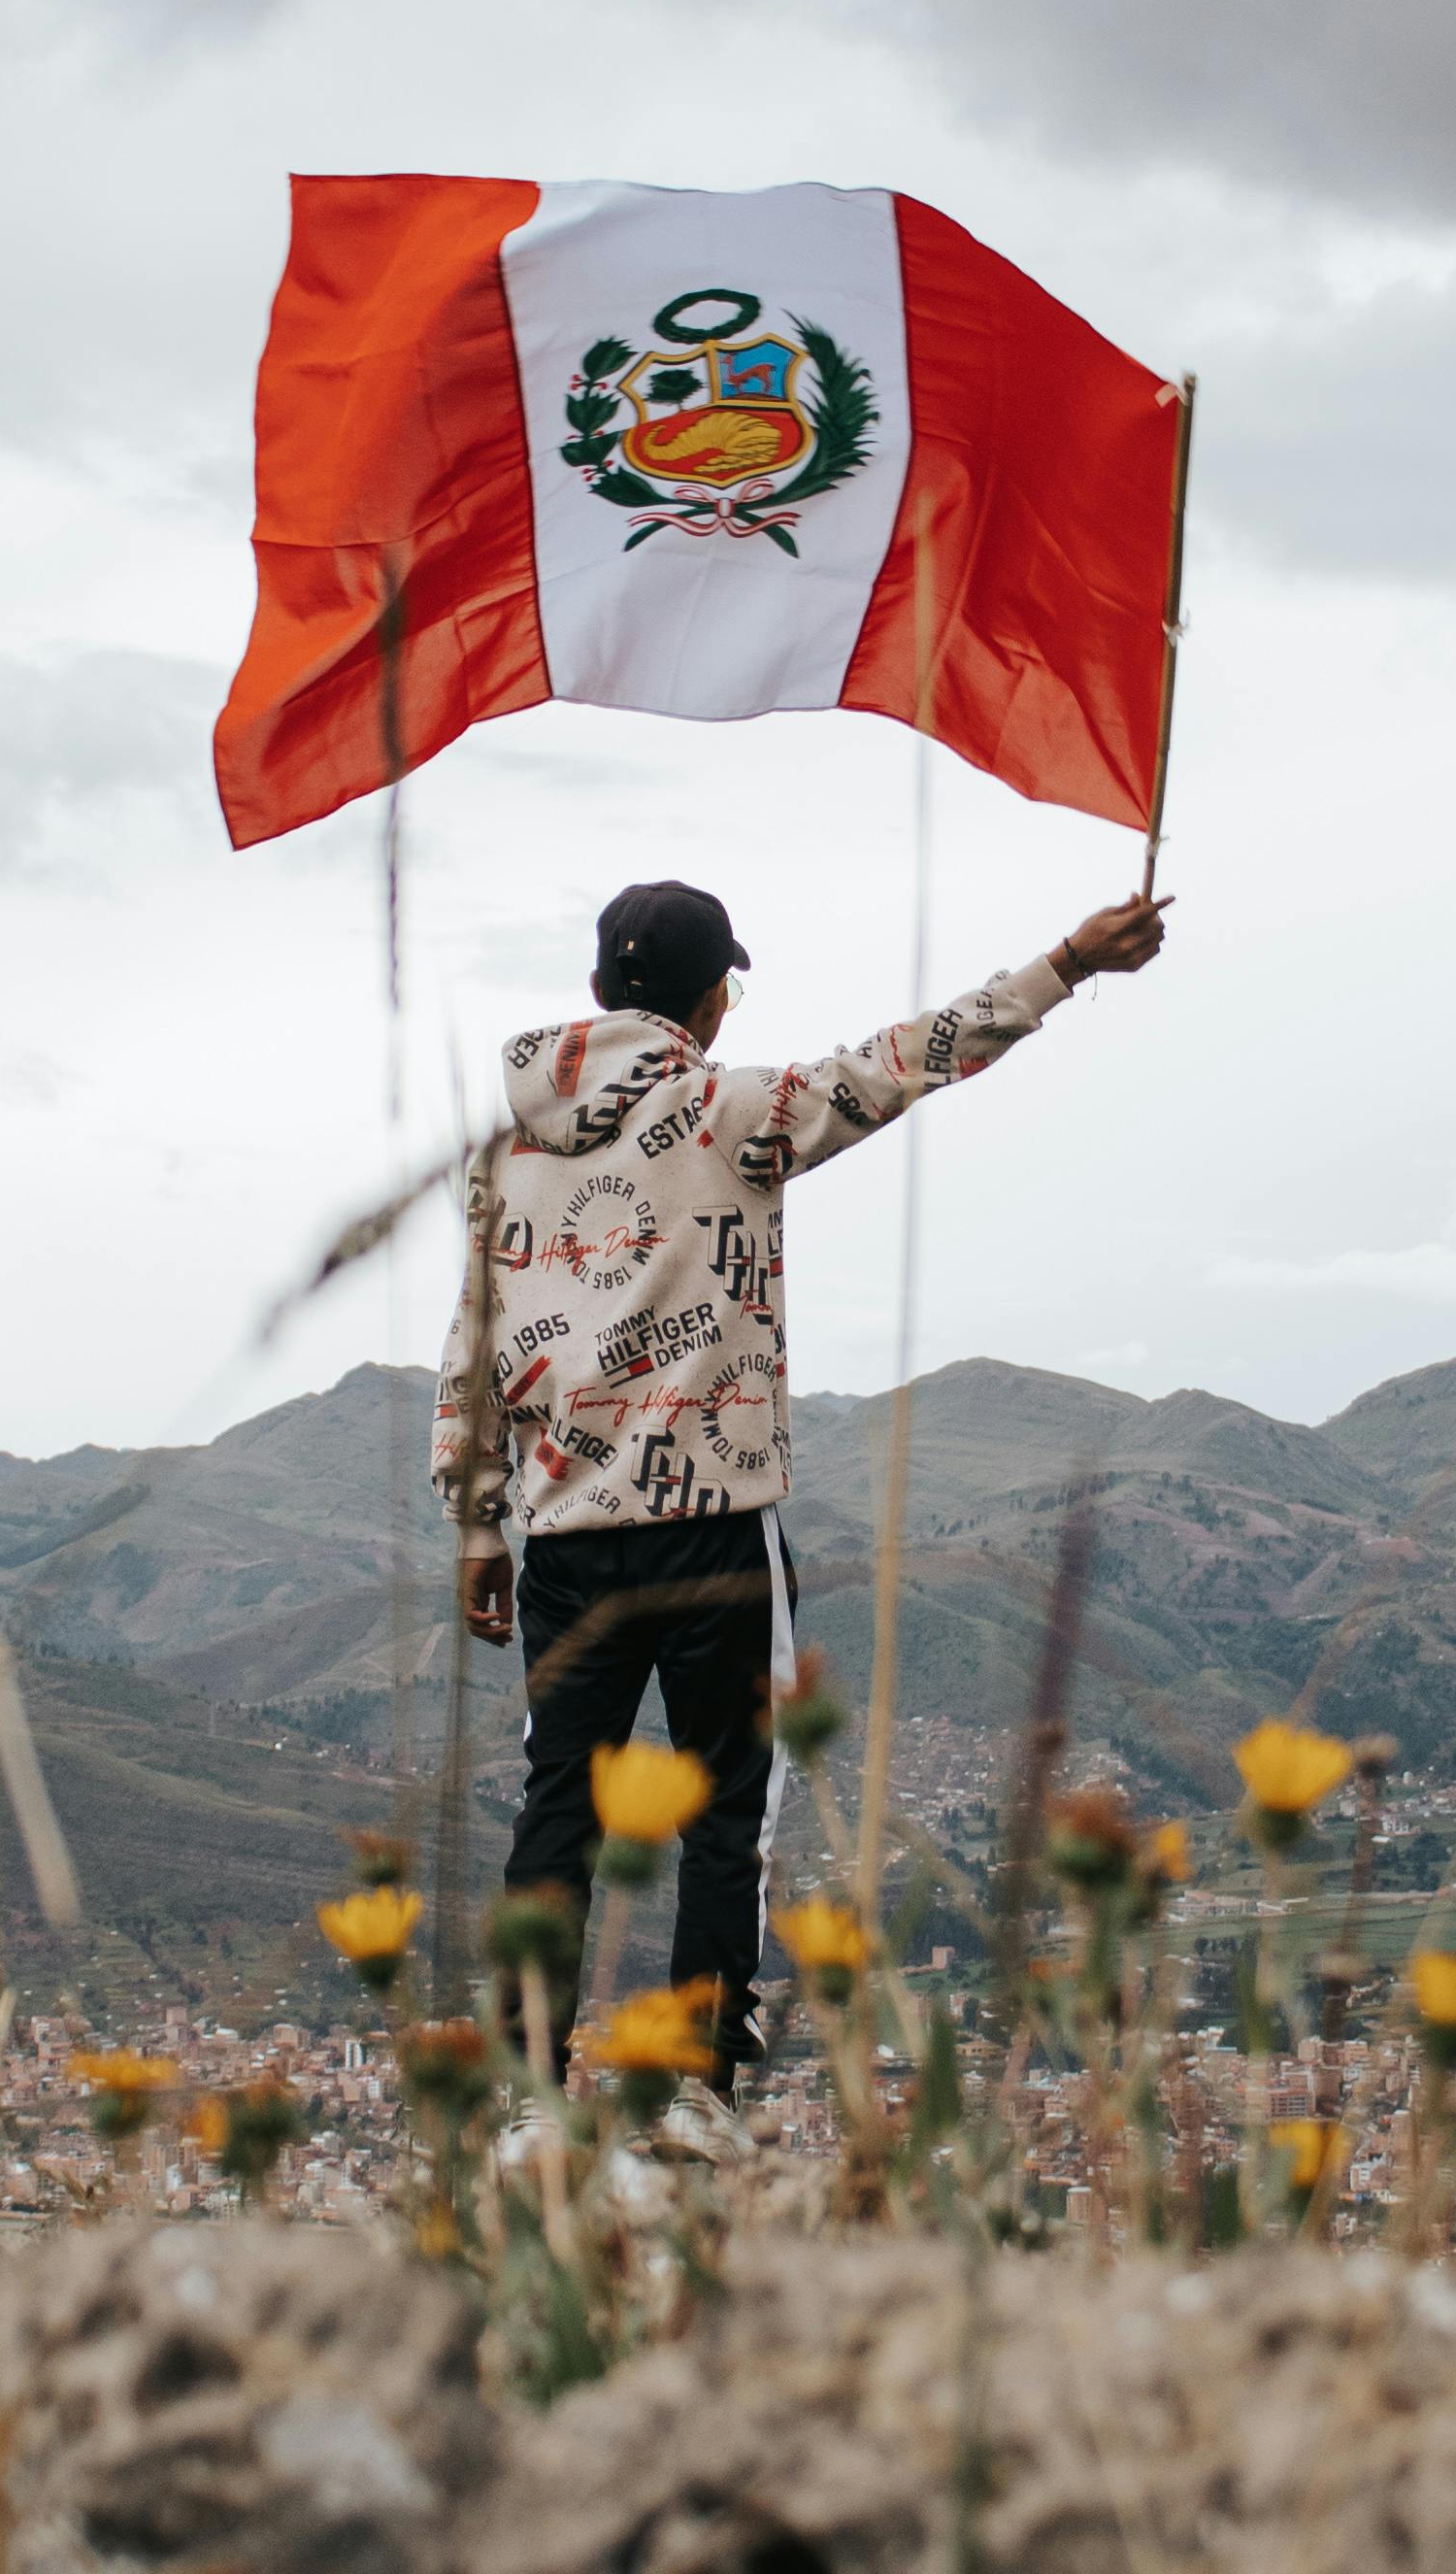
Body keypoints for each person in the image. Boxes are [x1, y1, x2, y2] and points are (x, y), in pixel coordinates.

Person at [434, 869, 1169, 2089]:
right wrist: (1071, 964)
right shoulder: (736, 1111)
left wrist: (476, 1525)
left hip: (564, 1537)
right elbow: (903, 1062)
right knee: (729, 1808)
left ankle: (523, 2086)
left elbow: (476, 1331)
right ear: (714, 999)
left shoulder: (506, 1149)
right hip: (715, 1530)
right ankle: (698, 2083)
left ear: (599, 990)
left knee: (558, 1808)